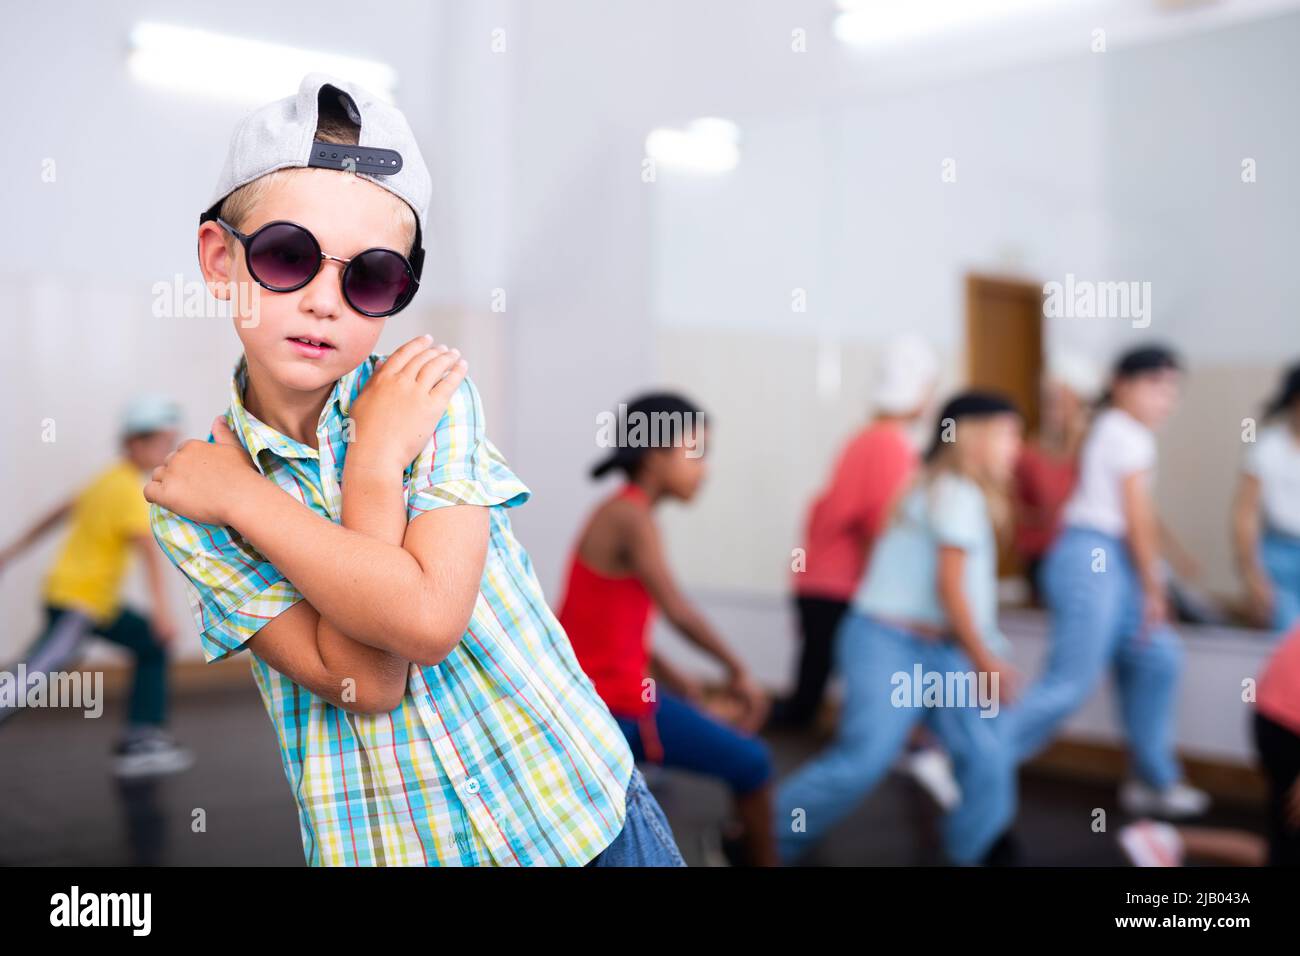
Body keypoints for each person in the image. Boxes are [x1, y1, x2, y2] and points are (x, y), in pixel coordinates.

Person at [145, 73, 682, 867]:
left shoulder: (428, 398)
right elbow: (369, 677)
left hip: (583, 819)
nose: (326, 301)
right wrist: (247, 492)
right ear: (221, 259)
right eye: (289, 257)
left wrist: (298, 486)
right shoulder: (189, 504)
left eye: (368, 276)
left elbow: (428, 621)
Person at [775, 392, 1024, 866]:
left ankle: (974, 848)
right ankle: (759, 841)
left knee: (987, 754)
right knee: (865, 759)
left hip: (941, 646)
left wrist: (981, 652)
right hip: (888, 641)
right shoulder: (953, 491)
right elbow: (951, 590)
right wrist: (986, 659)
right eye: (1009, 433)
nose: (1017, 445)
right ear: (973, 437)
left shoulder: (943, 489)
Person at [559, 393, 776, 866]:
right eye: (696, 453)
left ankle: (731, 843)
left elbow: (616, 628)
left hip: (612, 697)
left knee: (737, 751)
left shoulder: (623, 511)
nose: (706, 469)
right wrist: (740, 671)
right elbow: (678, 610)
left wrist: (681, 682)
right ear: (656, 456)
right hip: (615, 709)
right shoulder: (630, 517)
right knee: (754, 762)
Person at [1007, 346, 1209, 819]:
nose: (1167, 400)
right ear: (1121, 383)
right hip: (1092, 555)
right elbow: (1136, 518)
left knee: (1158, 656)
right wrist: (1156, 590)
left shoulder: (1116, 431)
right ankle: (972, 757)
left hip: (1108, 557)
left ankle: (1153, 778)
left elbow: (1141, 519)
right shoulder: (1126, 434)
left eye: (1174, 390)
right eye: (1157, 386)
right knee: (1070, 684)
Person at [0, 395, 190, 777]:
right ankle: (142, 738)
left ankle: (142, 739)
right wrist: (163, 612)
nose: (165, 451)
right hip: (79, 602)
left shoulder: (106, 480)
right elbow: (148, 551)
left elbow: (58, 512)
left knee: (150, 645)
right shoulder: (126, 490)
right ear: (133, 443)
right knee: (32, 676)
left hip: (90, 602)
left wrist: (12, 551)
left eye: (171, 442)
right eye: (159, 443)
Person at [776, 335, 938, 731]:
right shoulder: (890, 446)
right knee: (840, 700)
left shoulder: (863, 438)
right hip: (840, 589)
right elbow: (881, 529)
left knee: (811, 694)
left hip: (819, 583)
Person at [1120, 621, 1300, 867]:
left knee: (1284, 853)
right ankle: (1165, 838)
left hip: (1274, 707)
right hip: (1287, 717)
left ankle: (1164, 838)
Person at [1013, 355, 1098, 604]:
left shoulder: (1095, 448)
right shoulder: (1029, 452)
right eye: (1049, 401)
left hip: (1083, 553)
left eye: (1061, 400)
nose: (1053, 409)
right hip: (1042, 554)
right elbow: (1018, 504)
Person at [1232, 362, 1300, 632]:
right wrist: (1251, 573)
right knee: (1287, 639)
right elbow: (1245, 512)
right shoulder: (1269, 448)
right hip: (1278, 553)